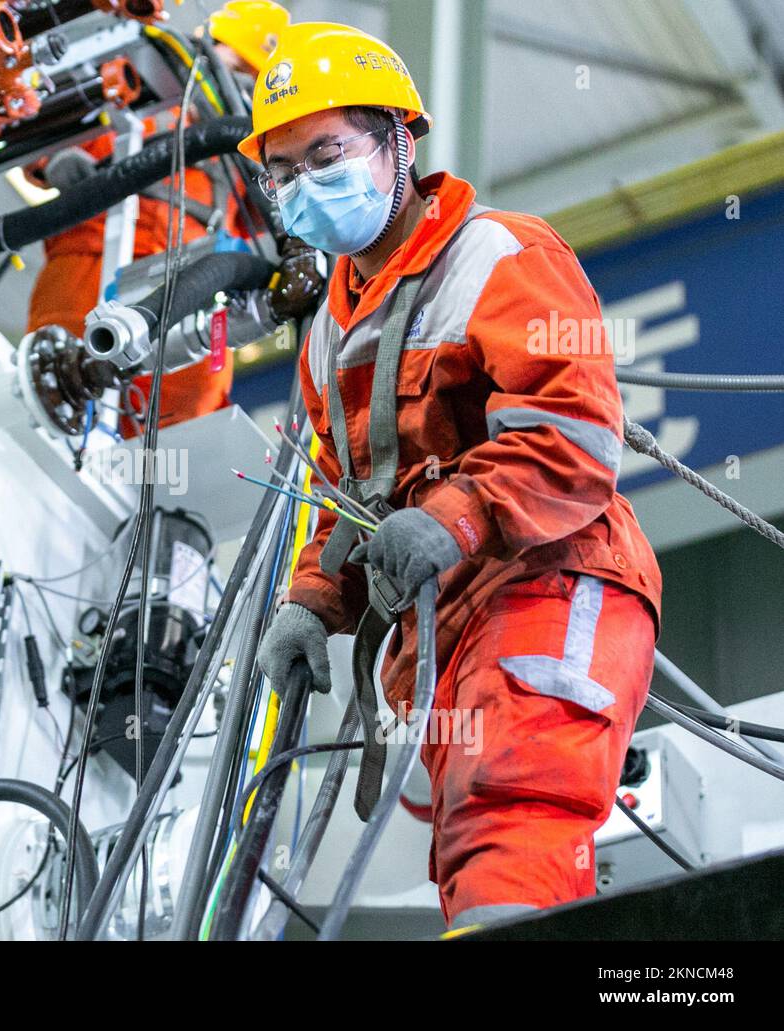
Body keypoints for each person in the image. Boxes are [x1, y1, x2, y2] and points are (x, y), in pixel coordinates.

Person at [248, 21, 663, 931]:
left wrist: (461, 512)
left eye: (327, 155)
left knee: (513, 802)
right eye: (282, 172)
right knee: (467, 847)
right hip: (441, 625)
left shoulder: (501, 257)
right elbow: (348, 495)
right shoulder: (327, 336)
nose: (303, 188)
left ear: (399, 142)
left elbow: (576, 429)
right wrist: (313, 600)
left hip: (553, 578)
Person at [24, 0, 290, 434]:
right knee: (51, 403)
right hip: (89, 271)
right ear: (209, 46)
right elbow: (40, 135)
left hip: (191, 297)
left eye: (253, 79)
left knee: (188, 429)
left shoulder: (246, 153)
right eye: (236, 67)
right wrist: (60, 159)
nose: (239, 87)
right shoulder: (140, 81)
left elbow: (278, 215)